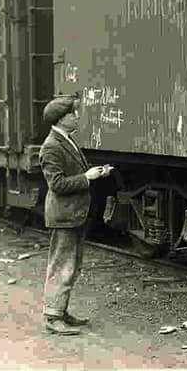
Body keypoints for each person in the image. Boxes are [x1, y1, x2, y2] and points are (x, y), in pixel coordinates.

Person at [39, 95, 113, 335]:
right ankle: (52, 317)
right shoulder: (51, 146)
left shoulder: (66, 140)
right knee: (62, 265)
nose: (78, 117)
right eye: (74, 113)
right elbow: (57, 184)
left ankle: (61, 311)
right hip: (65, 215)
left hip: (74, 214)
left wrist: (98, 174)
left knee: (72, 265)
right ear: (61, 118)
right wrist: (87, 178)